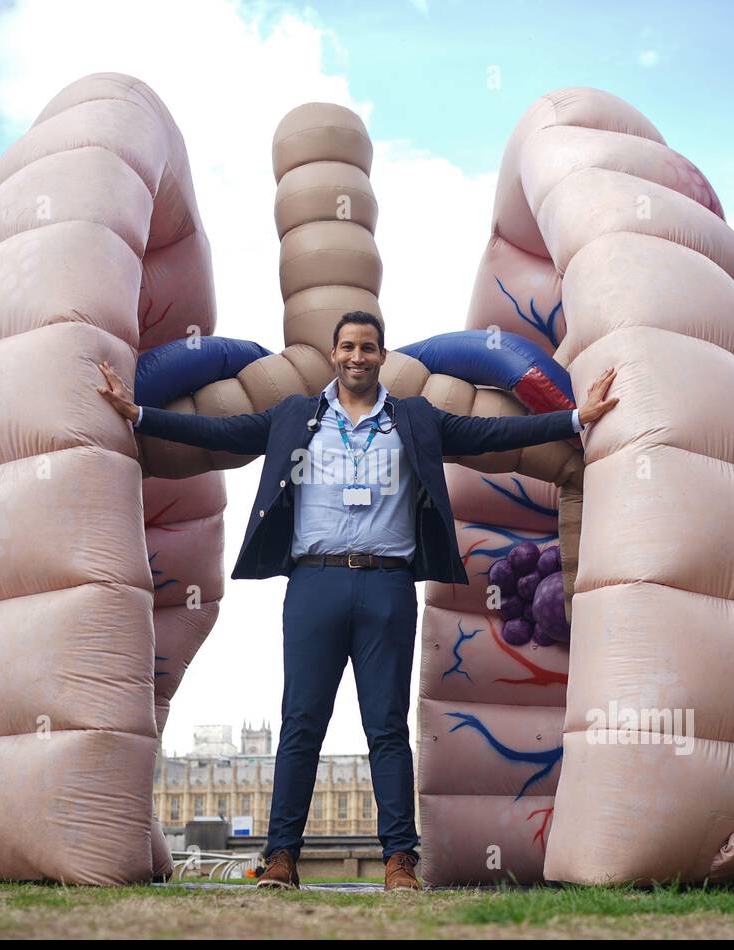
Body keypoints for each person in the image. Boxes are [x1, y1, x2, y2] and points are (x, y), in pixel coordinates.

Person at [96, 311, 618, 892]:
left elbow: (487, 433)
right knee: (301, 723)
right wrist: (139, 413)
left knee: (387, 727)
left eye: (368, 348)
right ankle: (281, 861)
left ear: (381, 355)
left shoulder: (414, 420)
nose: (357, 357)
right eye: (347, 347)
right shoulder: (296, 416)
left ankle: (399, 861)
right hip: (314, 584)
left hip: (387, 584)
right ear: (334, 352)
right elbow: (222, 432)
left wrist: (573, 417)